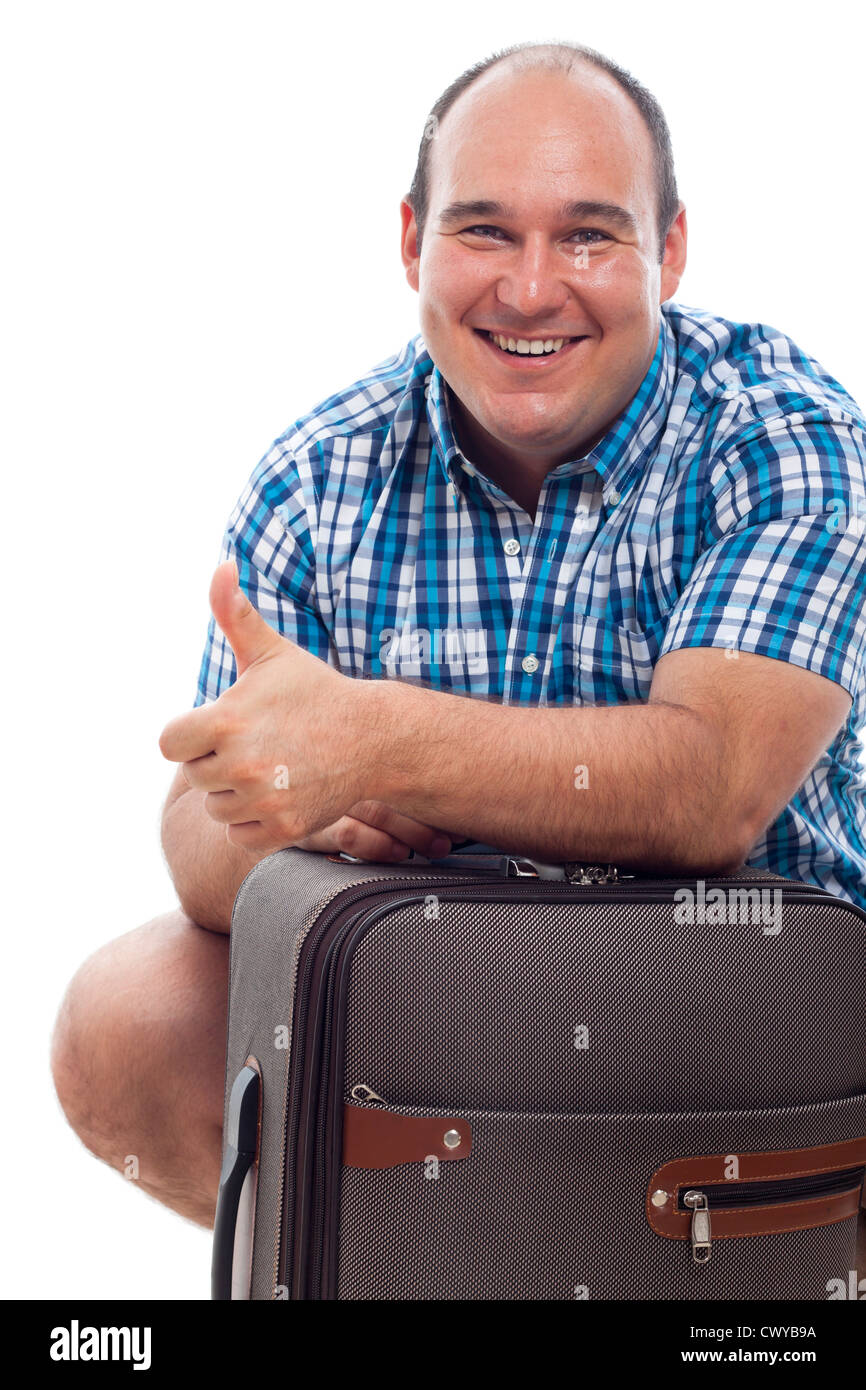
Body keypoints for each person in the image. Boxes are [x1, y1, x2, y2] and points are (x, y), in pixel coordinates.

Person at [51, 40, 866, 1230]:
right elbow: (197, 835)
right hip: (440, 1012)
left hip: (743, 1014)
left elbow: (712, 790)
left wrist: (373, 741)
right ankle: (406, 1261)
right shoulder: (316, 475)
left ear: (670, 251)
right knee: (129, 1011)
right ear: (409, 244)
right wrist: (302, 818)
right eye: (484, 232)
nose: (530, 290)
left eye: (587, 235)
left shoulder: (781, 434)